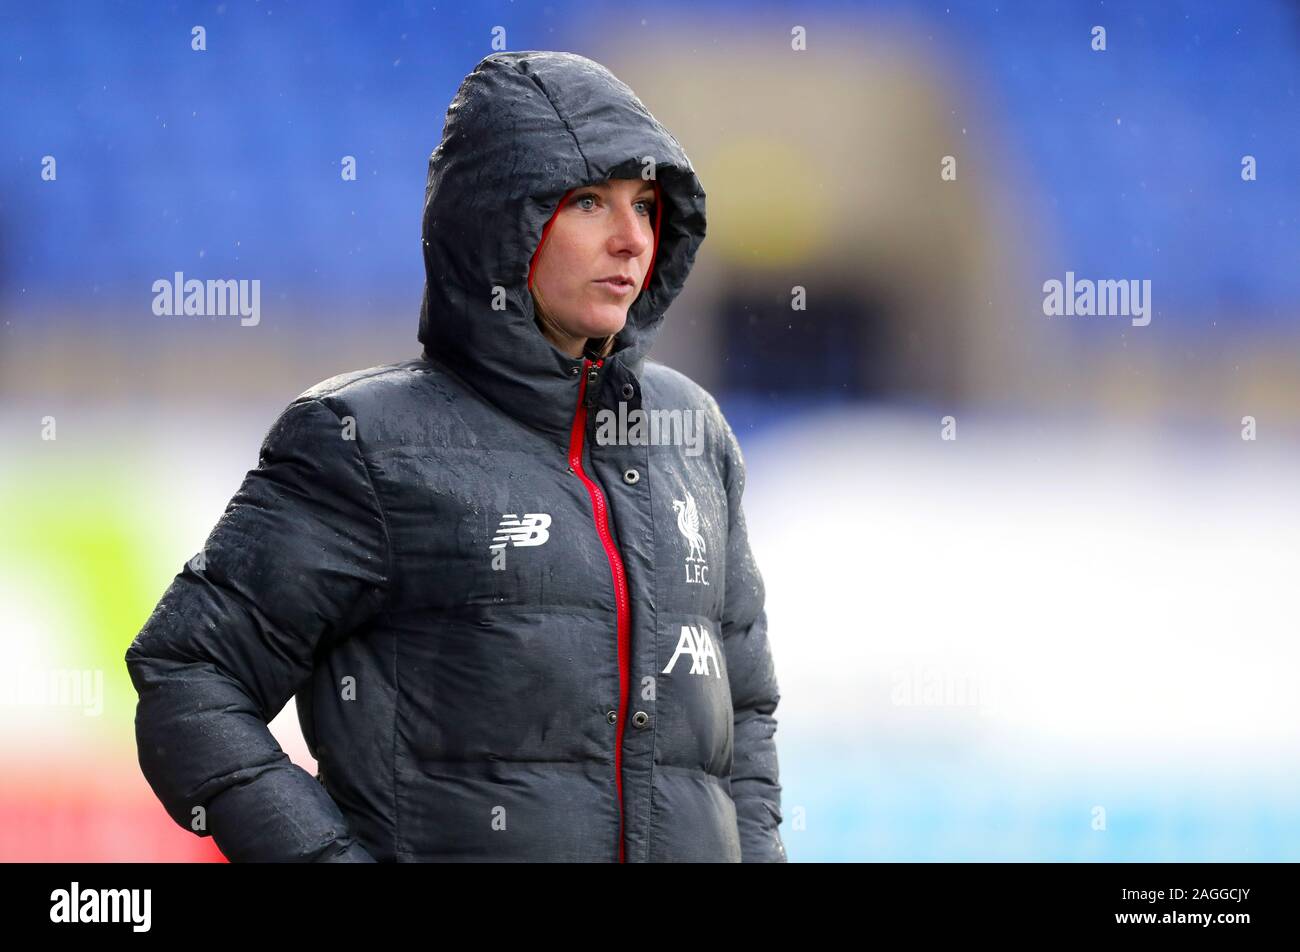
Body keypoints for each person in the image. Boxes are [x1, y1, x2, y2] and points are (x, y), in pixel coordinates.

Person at [125, 49, 786, 863]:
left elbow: (745, 720)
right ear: (498, 223)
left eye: (646, 207)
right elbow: (188, 674)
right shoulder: (364, 441)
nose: (630, 239)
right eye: (588, 202)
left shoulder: (694, 431)